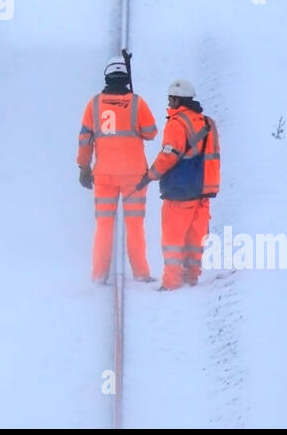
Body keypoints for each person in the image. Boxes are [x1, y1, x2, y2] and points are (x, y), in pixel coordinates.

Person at [77, 57, 158, 283]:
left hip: (103, 176)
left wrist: (84, 165)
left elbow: (85, 138)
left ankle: (99, 275)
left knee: (104, 225)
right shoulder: (137, 102)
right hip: (134, 176)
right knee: (134, 226)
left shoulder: (93, 104)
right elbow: (151, 132)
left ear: (106, 77)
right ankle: (141, 274)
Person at [134, 79, 220, 290]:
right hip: (202, 192)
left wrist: (149, 175)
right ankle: (191, 277)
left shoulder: (177, 123)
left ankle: (171, 282)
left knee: (173, 239)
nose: (169, 103)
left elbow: (168, 156)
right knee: (195, 237)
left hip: (180, 192)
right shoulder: (207, 123)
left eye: (170, 98)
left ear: (176, 99)